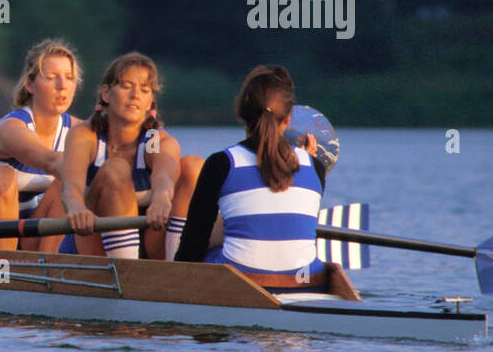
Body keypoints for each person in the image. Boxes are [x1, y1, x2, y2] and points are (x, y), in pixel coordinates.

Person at [174, 65, 327, 291]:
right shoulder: (315, 166)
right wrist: (307, 159)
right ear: (288, 118)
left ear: (241, 112)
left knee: (212, 245)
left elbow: (192, 247)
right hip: (305, 283)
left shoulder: (221, 163)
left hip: (240, 283)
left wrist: (171, 284)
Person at [60, 52, 203, 260]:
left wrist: (162, 197)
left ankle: (177, 268)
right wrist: (75, 207)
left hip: (152, 244)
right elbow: (71, 187)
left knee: (193, 166)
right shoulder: (86, 135)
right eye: (127, 86)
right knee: (115, 169)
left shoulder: (153, 140)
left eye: (144, 90)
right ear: (106, 94)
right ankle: (126, 273)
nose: (135, 95)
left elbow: (163, 175)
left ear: (150, 103)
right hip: (93, 242)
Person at [0, 39, 81, 251]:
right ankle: (5, 268)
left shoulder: (78, 130)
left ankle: (48, 268)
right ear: (29, 85)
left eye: (69, 78)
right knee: (4, 176)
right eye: (51, 77)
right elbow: (51, 161)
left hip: (25, 235)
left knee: (63, 186)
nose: (63, 85)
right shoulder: (10, 129)